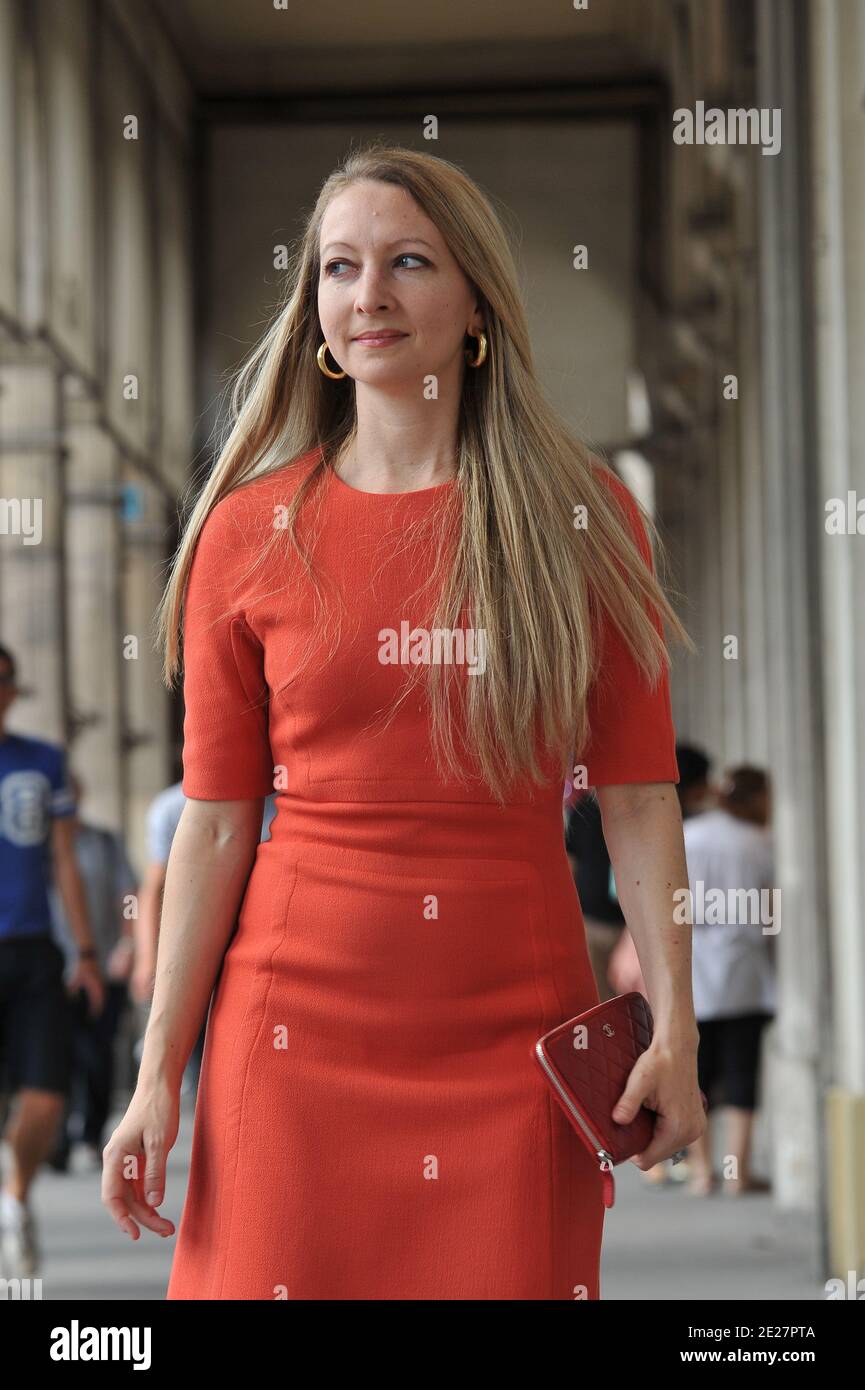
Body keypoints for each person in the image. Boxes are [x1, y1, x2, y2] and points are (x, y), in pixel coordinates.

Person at [102, 143, 706, 1301]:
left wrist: (673, 1028)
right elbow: (216, 827)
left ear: (475, 297)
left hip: (510, 1036)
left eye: (407, 261)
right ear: (314, 309)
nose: (366, 294)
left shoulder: (579, 520)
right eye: (338, 268)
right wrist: (155, 1074)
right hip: (290, 1044)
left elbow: (636, 797)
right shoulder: (245, 533)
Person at [0, 643, 104, 1276]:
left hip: (34, 948)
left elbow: (65, 862)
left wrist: (87, 952)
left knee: (45, 1096)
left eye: (6, 680)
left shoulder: (44, 762)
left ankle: (15, 1196)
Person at [133, 780, 277, 1097]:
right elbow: (154, 887)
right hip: (197, 943)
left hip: (258, 946)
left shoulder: (285, 801)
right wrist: (147, 957)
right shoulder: (171, 807)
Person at [683, 766, 777, 1197]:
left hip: (694, 969)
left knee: (695, 1078)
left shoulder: (689, 835)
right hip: (745, 972)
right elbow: (771, 912)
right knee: (742, 1074)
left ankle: (702, 1174)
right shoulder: (758, 842)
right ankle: (736, 1172)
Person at [47, 772, 138, 1171]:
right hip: (52, 971)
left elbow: (130, 896)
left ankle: (90, 1134)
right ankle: (58, 1140)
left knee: (99, 1056)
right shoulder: (37, 850)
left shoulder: (104, 842)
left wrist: (129, 942)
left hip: (103, 968)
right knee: (59, 1057)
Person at [565, 789, 625, 1003]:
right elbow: (570, 859)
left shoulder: (636, 805)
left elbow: (570, 862)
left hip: (627, 925)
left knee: (612, 997)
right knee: (601, 997)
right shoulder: (585, 808)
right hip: (594, 919)